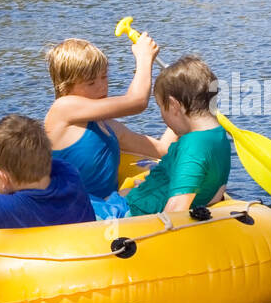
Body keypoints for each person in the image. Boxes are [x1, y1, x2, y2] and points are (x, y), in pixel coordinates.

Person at [44, 36, 174, 216]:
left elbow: (161, 149)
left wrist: (186, 112)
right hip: (79, 211)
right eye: (91, 82)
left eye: (104, 77)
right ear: (65, 88)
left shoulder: (109, 126)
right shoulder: (62, 110)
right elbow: (137, 101)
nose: (102, 87)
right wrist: (144, 58)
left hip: (108, 207)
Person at [121, 55, 230, 216]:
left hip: (130, 214)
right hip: (141, 200)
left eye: (160, 106)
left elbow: (175, 211)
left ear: (173, 105)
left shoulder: (193, 146)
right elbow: (216, 192)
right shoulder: (218, 136)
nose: (162, 116)